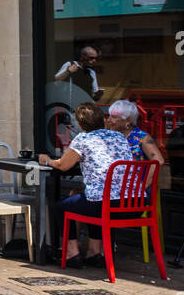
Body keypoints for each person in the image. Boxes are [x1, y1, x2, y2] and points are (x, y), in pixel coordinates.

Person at [39, 102, 134, 269]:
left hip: (105, 205)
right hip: (132, 204)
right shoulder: (119, 136)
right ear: (101, 120)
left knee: (61, 207)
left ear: (80, 124)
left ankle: (72, 253)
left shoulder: (83, 138)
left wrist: (46, 159)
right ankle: (94, 252)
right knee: (90, 196)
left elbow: (63, 165)